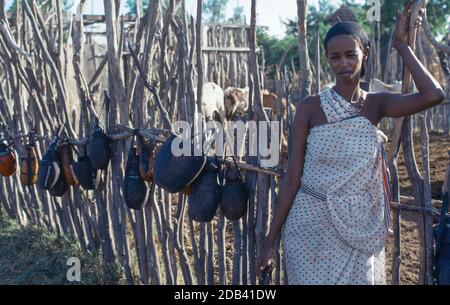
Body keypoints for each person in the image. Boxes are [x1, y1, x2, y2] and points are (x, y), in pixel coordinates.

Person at [256, 1, 445, 285]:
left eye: (350, 55)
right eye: (335, 57)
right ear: (328, 60)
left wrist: (402, 46)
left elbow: (434, 95)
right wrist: (271, 239)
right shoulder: (310, 108)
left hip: (359, 228)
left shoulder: (377, 105)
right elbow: (293, 177)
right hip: (310, 226)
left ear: (364, 54)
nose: (343, 63)